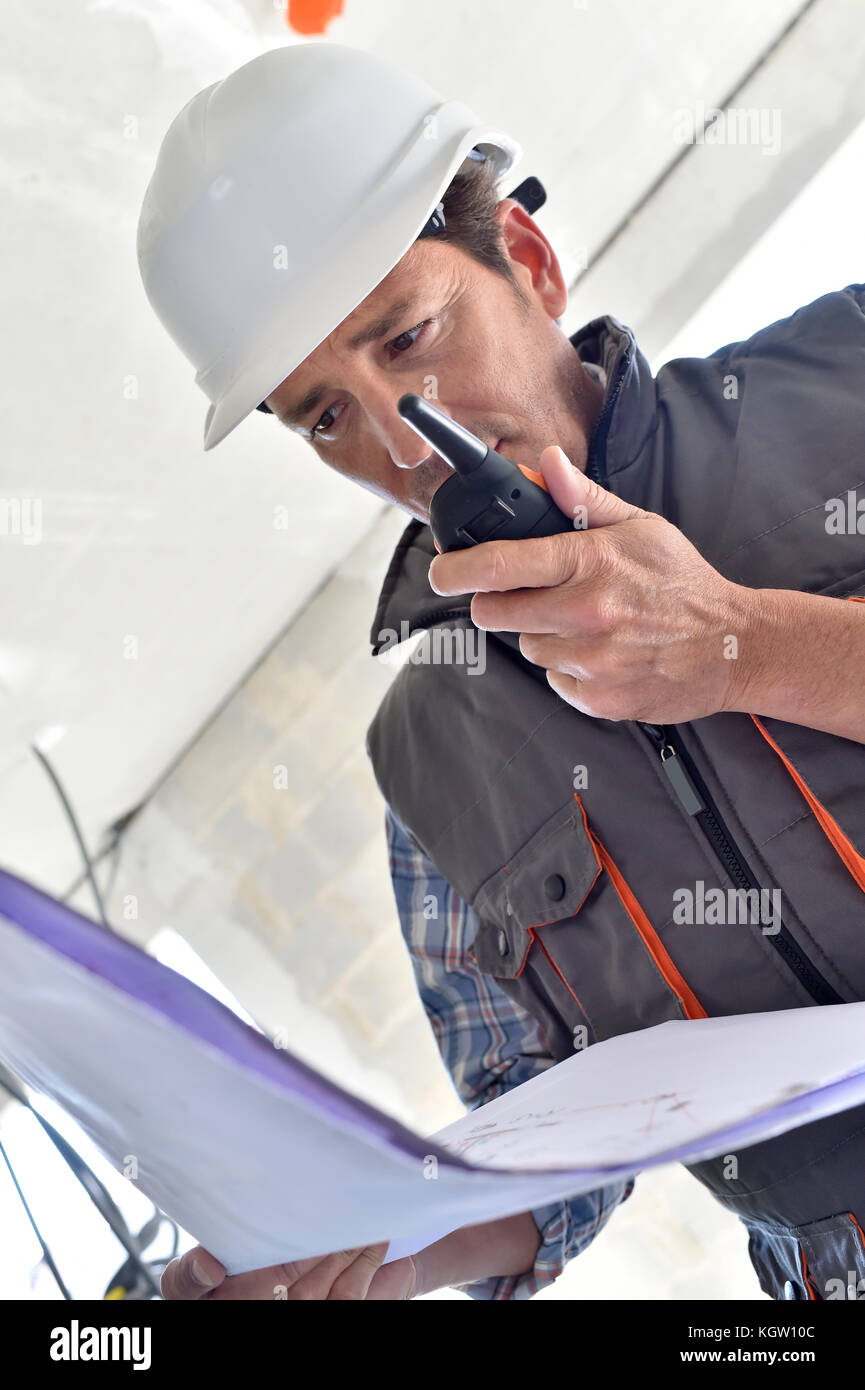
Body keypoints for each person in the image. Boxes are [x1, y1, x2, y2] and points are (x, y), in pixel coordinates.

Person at [138, 42, 865, 1301]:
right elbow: (550, 1135)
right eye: (323, 415)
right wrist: (379, 1238)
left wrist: (740, 638)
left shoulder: (844, 372)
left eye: (408, 334)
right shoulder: (423, 760)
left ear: (524, 261)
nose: (394, 440)